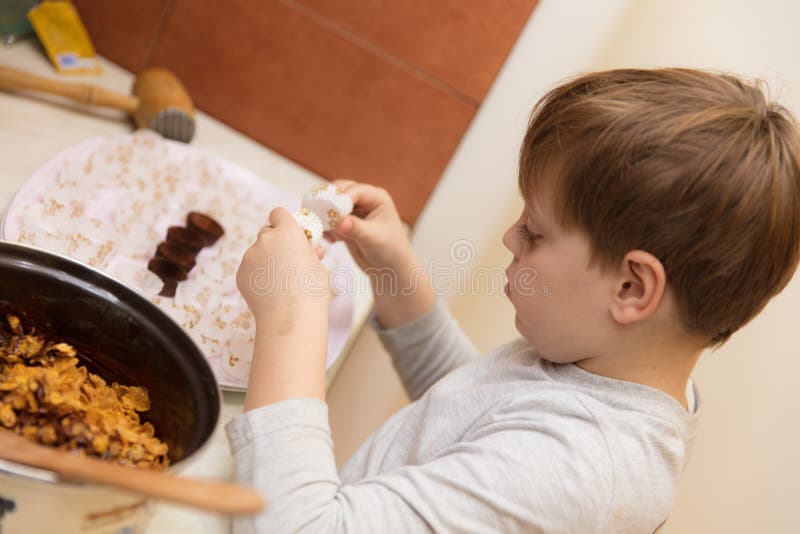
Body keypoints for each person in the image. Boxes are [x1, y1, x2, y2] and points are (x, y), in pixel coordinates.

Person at [227, 68, 800, 533]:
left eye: (535, 232)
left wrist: (289, 320)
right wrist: (396, 274)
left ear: (631, 289)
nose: (510, 238)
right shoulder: (610, 368)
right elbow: (470, 411)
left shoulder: (579, 467)